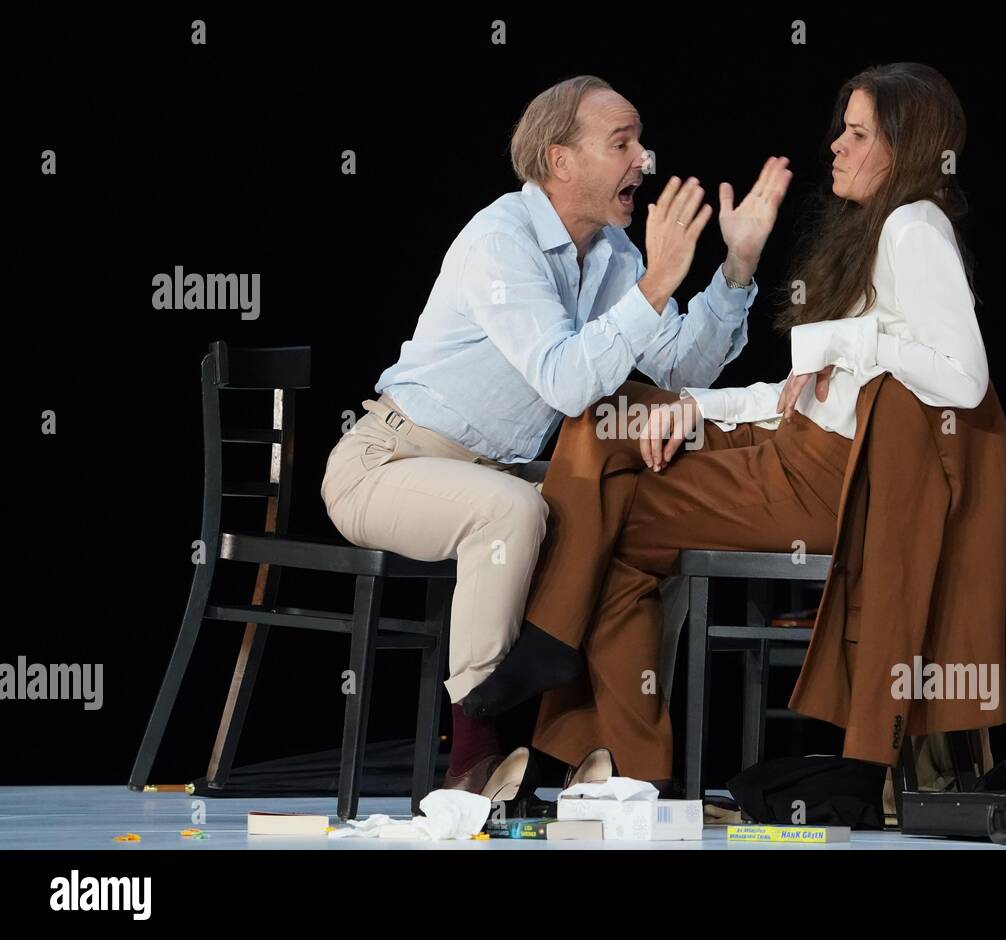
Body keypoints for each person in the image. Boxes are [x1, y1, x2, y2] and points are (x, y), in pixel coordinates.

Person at [465, 63, 1006, 791]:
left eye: (858, 132)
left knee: (600, 470)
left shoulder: (912, 224)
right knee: (611, 481)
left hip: (828, 481)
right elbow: (797, 395)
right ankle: (623, 771)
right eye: (843, 128)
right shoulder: (877, 230)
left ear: (906, 147)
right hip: (793, 450)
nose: (835, 144)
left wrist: (844, 342)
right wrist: (698, 406)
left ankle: (559, 652)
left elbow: (963, 377)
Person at [319, 74, 791, 794]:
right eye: (622, 143)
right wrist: (657, 283)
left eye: (641, 142)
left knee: (642, 508)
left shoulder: (611, 255)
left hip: (501, 470)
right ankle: (472, 756)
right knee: (511, 511)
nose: (645, 159)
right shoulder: (499, 240)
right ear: (560, 159)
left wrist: (736, 268)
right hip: (389, 461)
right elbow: (565, 380)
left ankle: (596, 749)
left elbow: (678, 369)